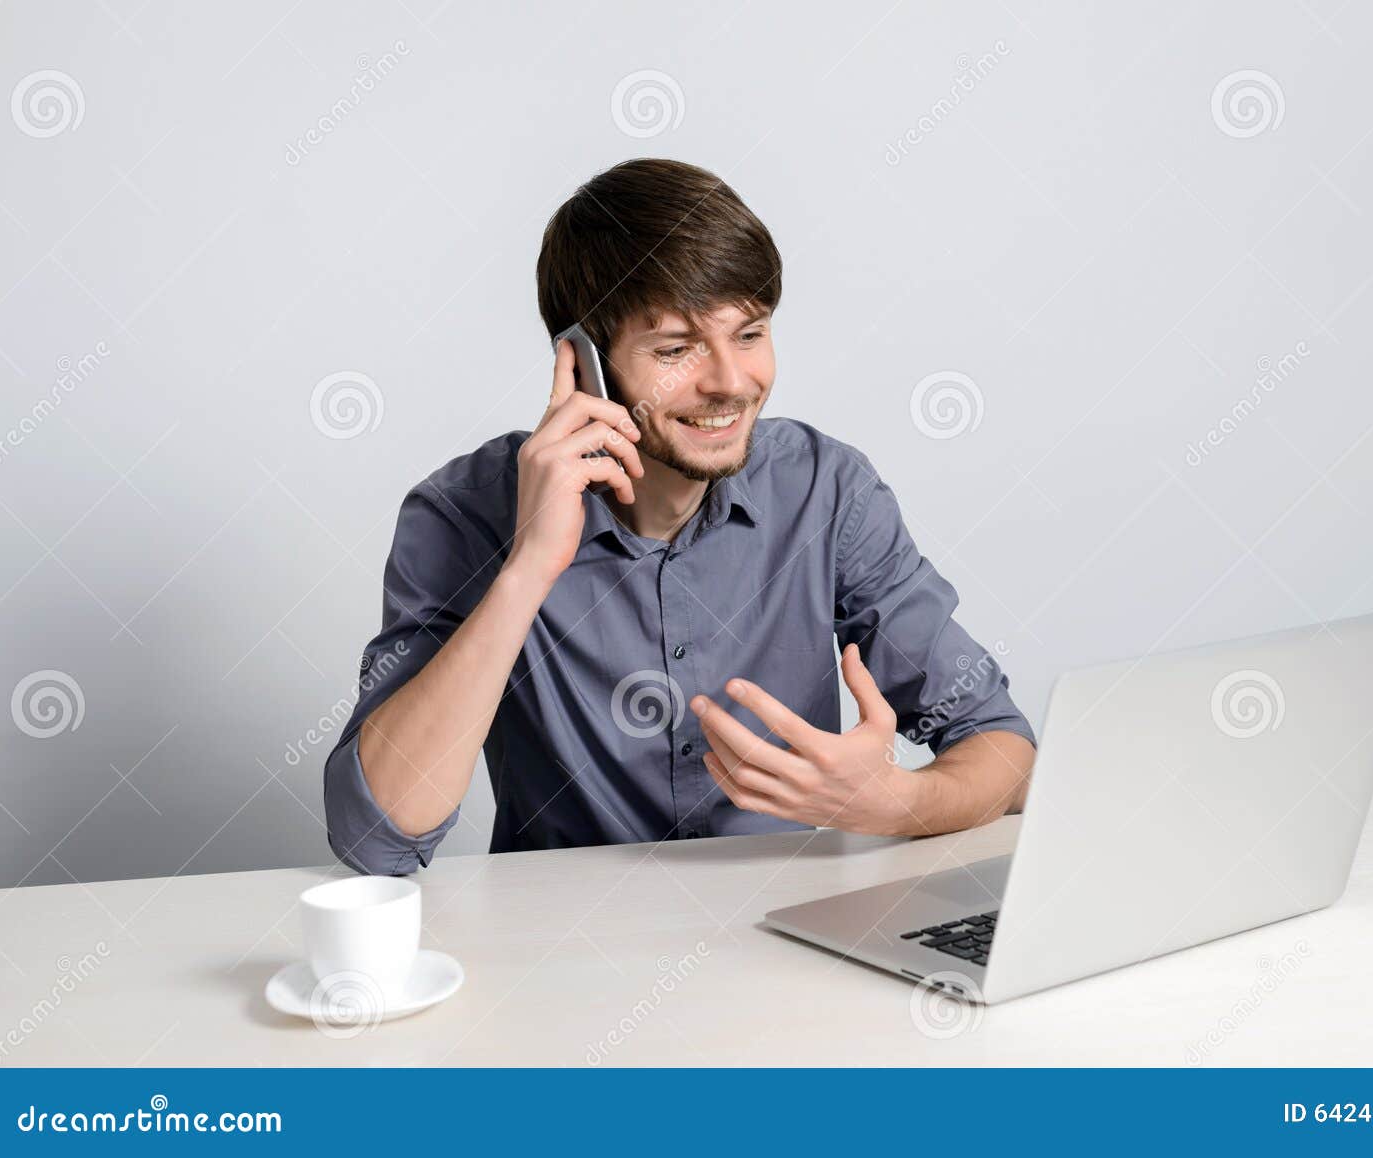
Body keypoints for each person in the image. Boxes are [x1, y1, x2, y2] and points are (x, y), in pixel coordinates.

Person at [323, 158, 1036, 875]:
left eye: (749, 334)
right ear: (585, 364)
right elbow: (374, 838)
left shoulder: (825, 490)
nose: (730, 382)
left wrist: (897, 803)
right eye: (675, 349)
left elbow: (1003, 749)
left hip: (791, 923)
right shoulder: (462, 513)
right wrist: (529, 566)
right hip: (566, 935)